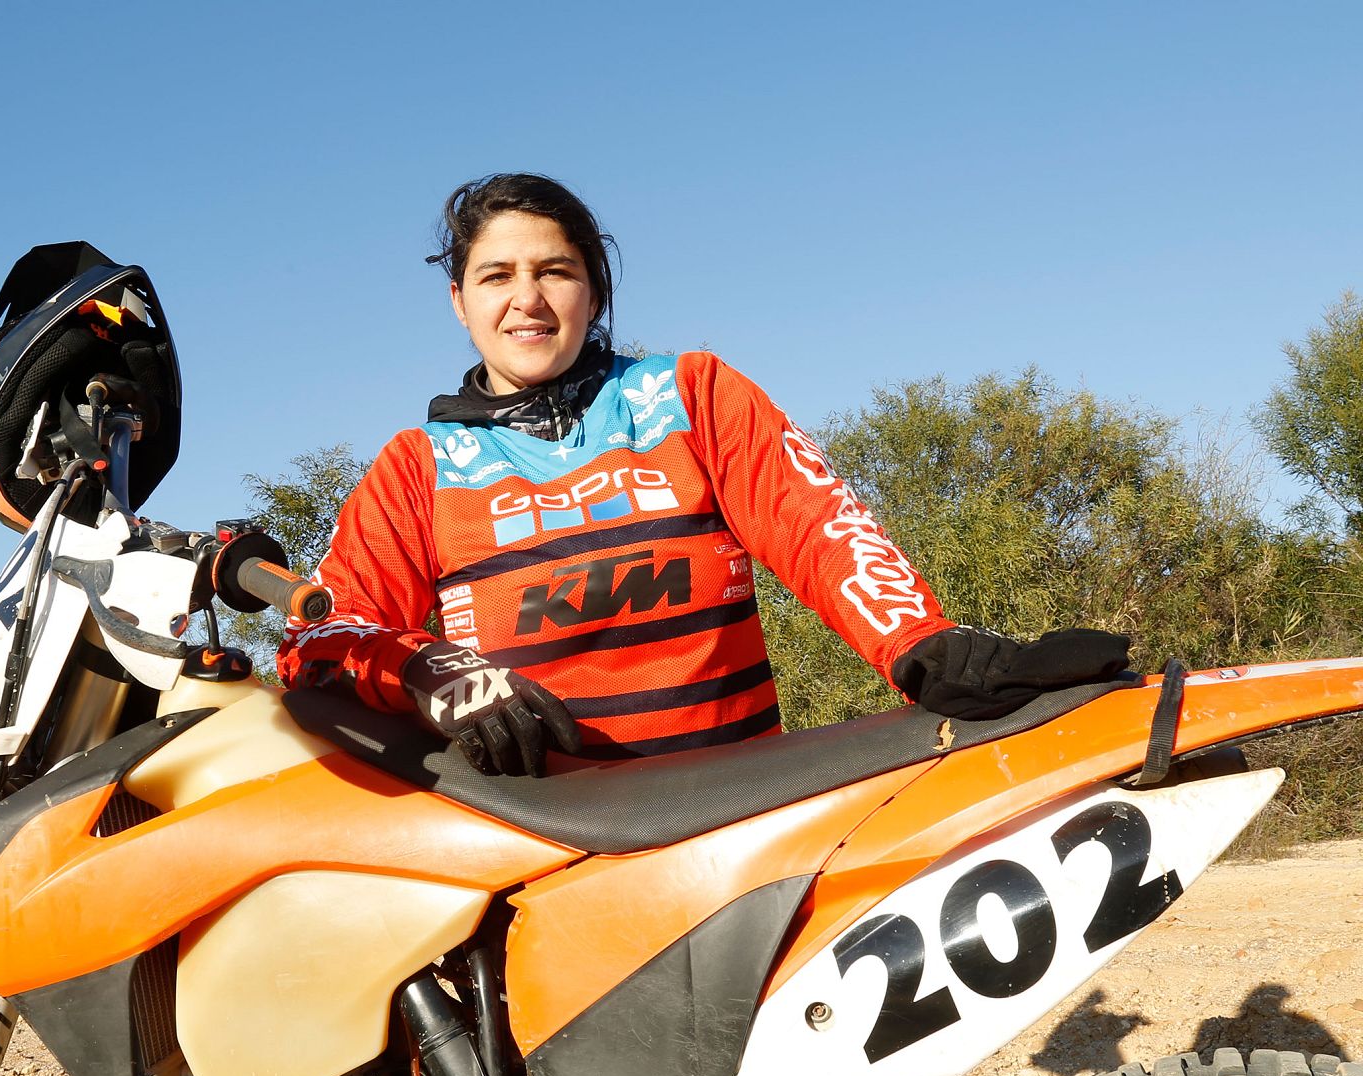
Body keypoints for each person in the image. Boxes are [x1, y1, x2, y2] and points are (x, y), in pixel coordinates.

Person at [276, 173, 1128, 776]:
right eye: (495, 276)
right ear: (460, 303)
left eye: (555, 271)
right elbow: (320, 636)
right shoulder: (415, 468)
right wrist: (427, 669)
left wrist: (922, 646)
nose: (526, 298)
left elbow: (819, 526)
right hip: (536, 828)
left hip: (732, 804)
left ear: (593, 293)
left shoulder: (690, 393)